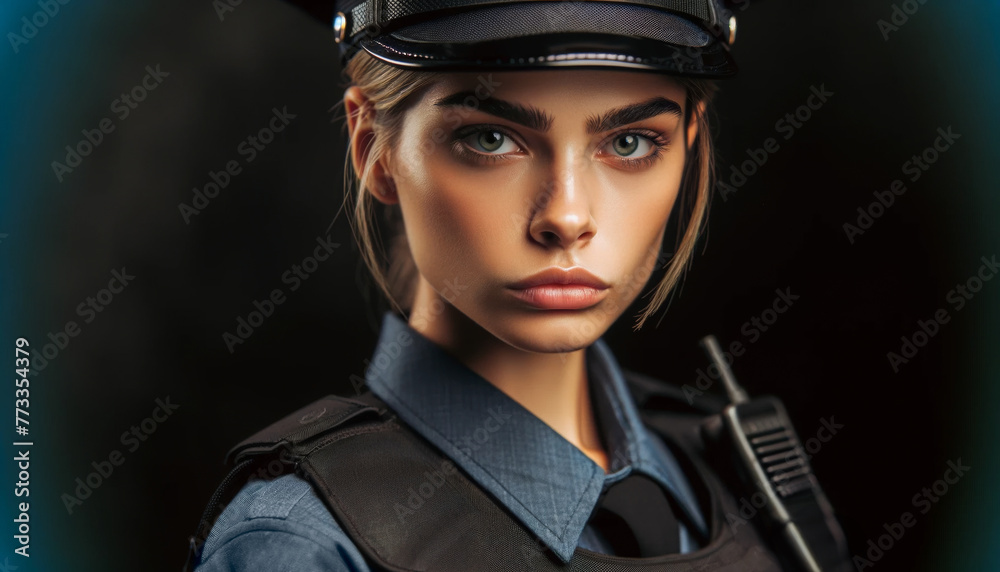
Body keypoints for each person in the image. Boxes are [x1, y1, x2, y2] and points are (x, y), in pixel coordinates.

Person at [187, 0, 849, 570]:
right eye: (492, 137)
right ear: (373, 148)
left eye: (630, 143)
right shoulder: (302, 543)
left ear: (690, 142)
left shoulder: (736, 470)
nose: (566, 216)